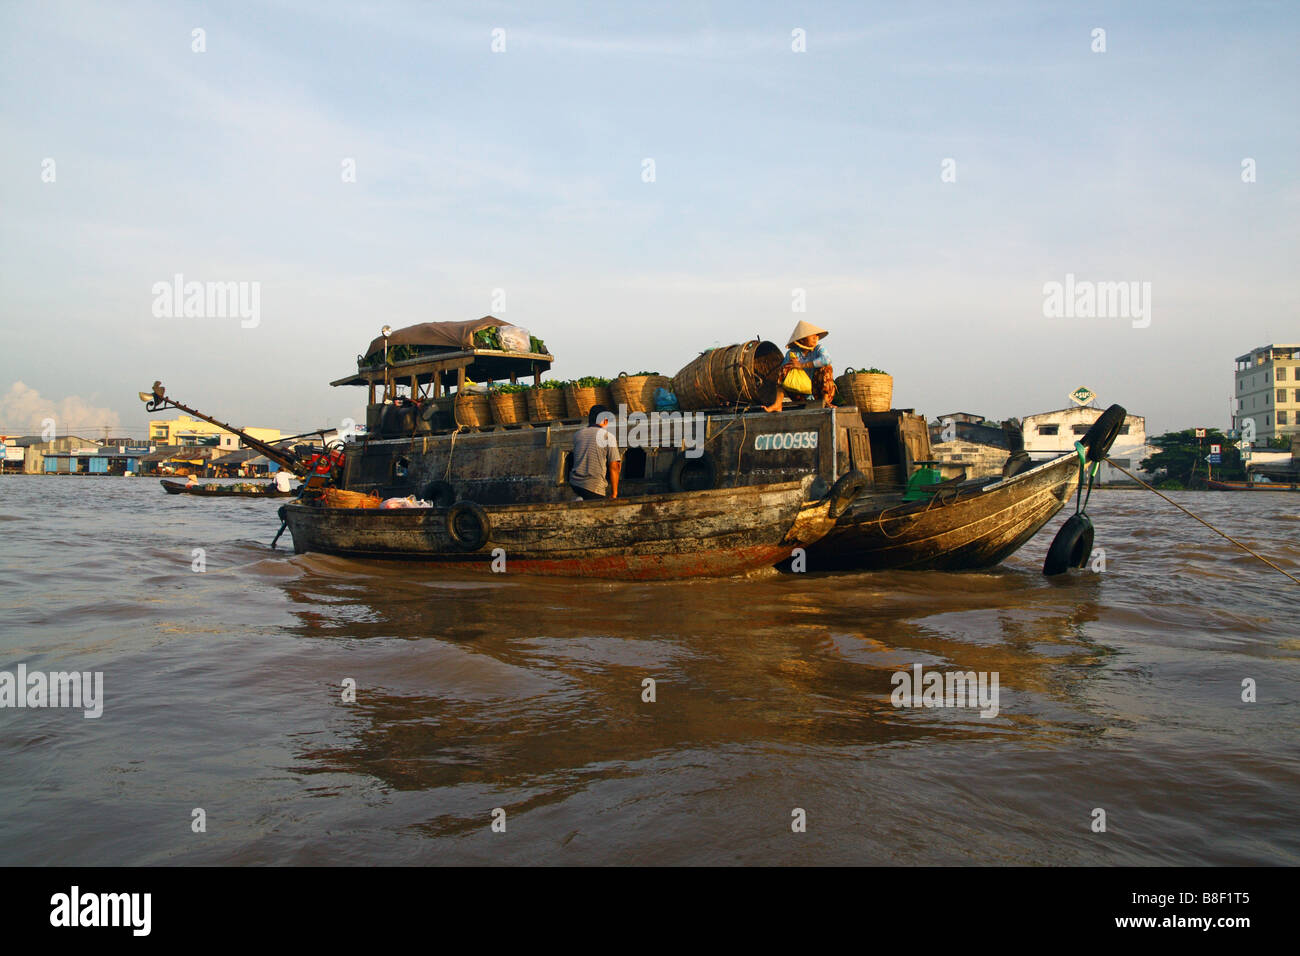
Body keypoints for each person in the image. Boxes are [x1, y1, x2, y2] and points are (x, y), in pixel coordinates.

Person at [763, 320, 836, 412]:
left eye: (817, 336)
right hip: (800, 395)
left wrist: (802, 365)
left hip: (819, 393)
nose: (816, 338)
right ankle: (778, 404)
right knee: (785, 368)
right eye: (812, 336)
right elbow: (781, 376)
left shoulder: (818, 349)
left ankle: (825, 403)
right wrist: (792, 365)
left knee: (826, 367)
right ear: (802, 339)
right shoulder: (792, 353)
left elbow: (827, 359)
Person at [569, 405, 621, 500]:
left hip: (574, 484)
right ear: (605, 420)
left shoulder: (577, 434)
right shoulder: (608, 436)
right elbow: (615, 467)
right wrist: (614, 494)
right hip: (594, 486)